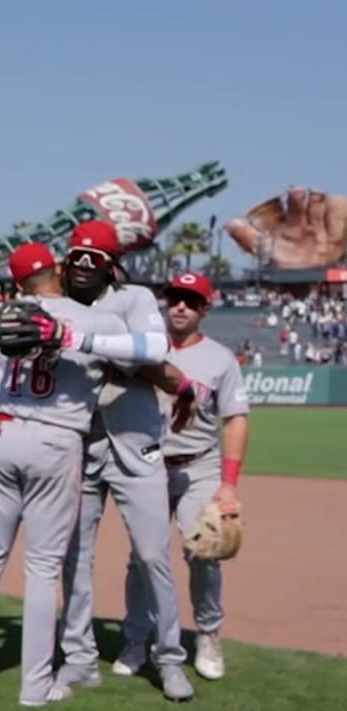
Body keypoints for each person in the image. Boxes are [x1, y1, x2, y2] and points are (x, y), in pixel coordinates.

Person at [0, 242, 129, 705]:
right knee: (43, 568)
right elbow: (141, 351)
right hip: (55, 437)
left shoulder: (3, 313)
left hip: (2, 435)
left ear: (19, 281)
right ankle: (35, 685)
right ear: (60, 269)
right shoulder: (97, 321)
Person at [51, 220, 199, 702]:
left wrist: (91, 344)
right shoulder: (56, 306)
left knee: (153, 553)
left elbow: (154, 351)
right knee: (75, 557)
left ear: (111, 266)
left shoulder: (132, 298)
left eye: (93, 259)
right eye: (75, 258)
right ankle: (77, 654)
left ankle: (170, 657)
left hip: (137, 443)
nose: (82, 267)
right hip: (80, 445)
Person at [122, 271, 249, 680]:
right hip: (149, 464)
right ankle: (135, 638)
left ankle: (208, 634)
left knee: (204, 551)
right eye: (175, 297)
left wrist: (228, 485)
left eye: (191, 300)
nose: (180, 305)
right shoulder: (144, 349)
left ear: (204, 309)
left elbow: (235, 421)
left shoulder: (221, 359)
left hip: (199, 464)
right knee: (143, 556)